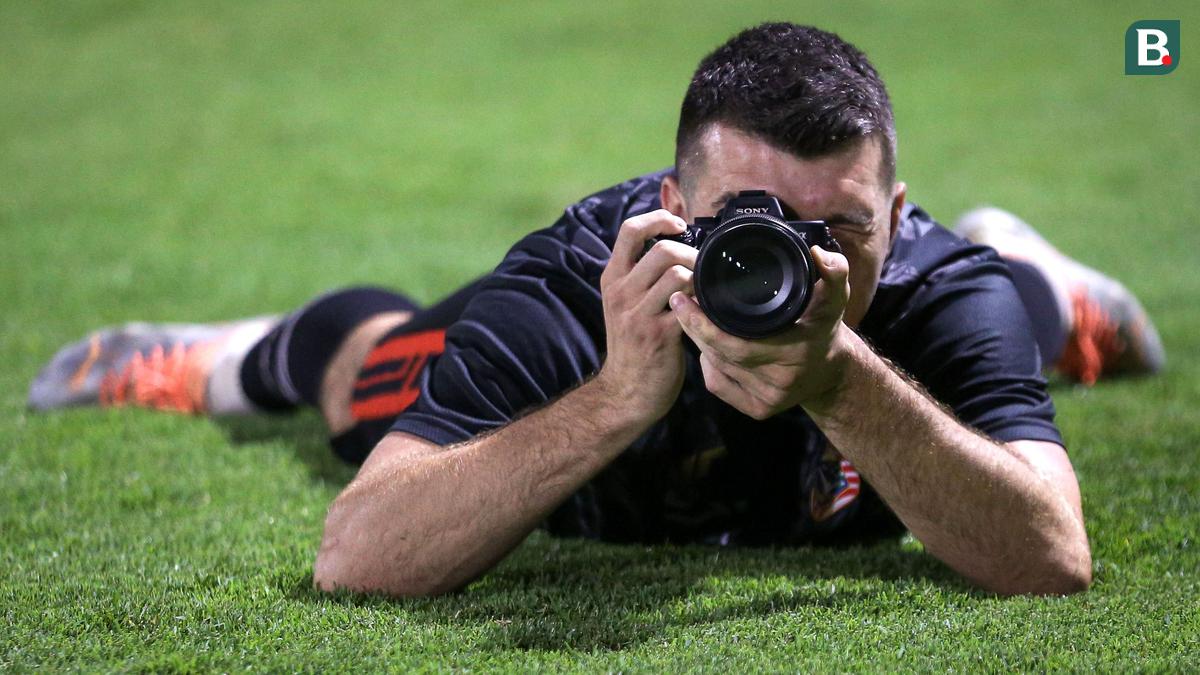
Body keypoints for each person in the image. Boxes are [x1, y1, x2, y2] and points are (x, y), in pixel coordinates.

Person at [29, 23, 1164, 597]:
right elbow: (355, 557)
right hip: (577, 361)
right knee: (365, 376)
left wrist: (839, 377)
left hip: (933, 308)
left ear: (899, 215)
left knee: (993, 328)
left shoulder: (935, 281)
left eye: (841, 229)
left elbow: (1052, 554)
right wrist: (620, 395)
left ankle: (1043, 287)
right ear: (672, 208)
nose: (796, 259)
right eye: (750, 223)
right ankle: (236, 358)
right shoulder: (577, 282)